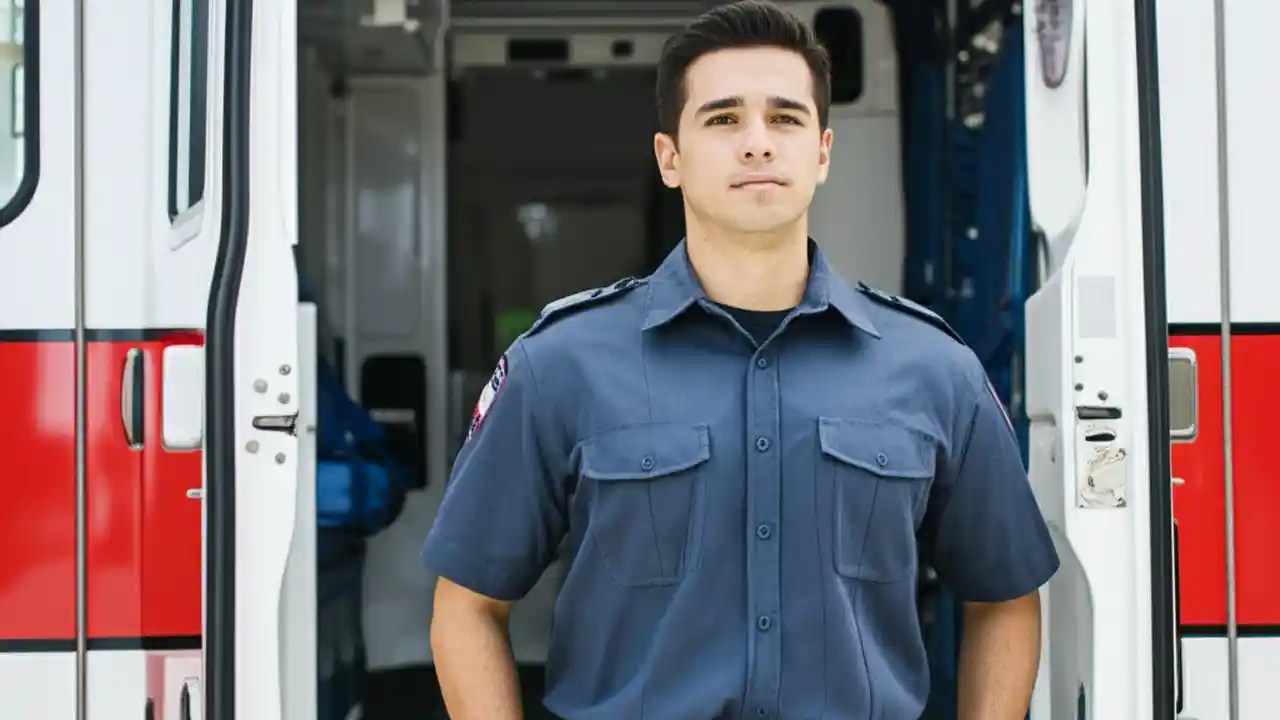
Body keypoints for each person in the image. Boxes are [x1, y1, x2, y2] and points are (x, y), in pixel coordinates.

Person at [422, 1, 1060, 717]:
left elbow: (1004, 596)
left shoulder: (934, 369)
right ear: (671, 158)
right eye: (723, 118)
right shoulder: (561, 365)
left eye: (784, 118)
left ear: (821, 152)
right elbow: (468, 607)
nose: (757, 142)